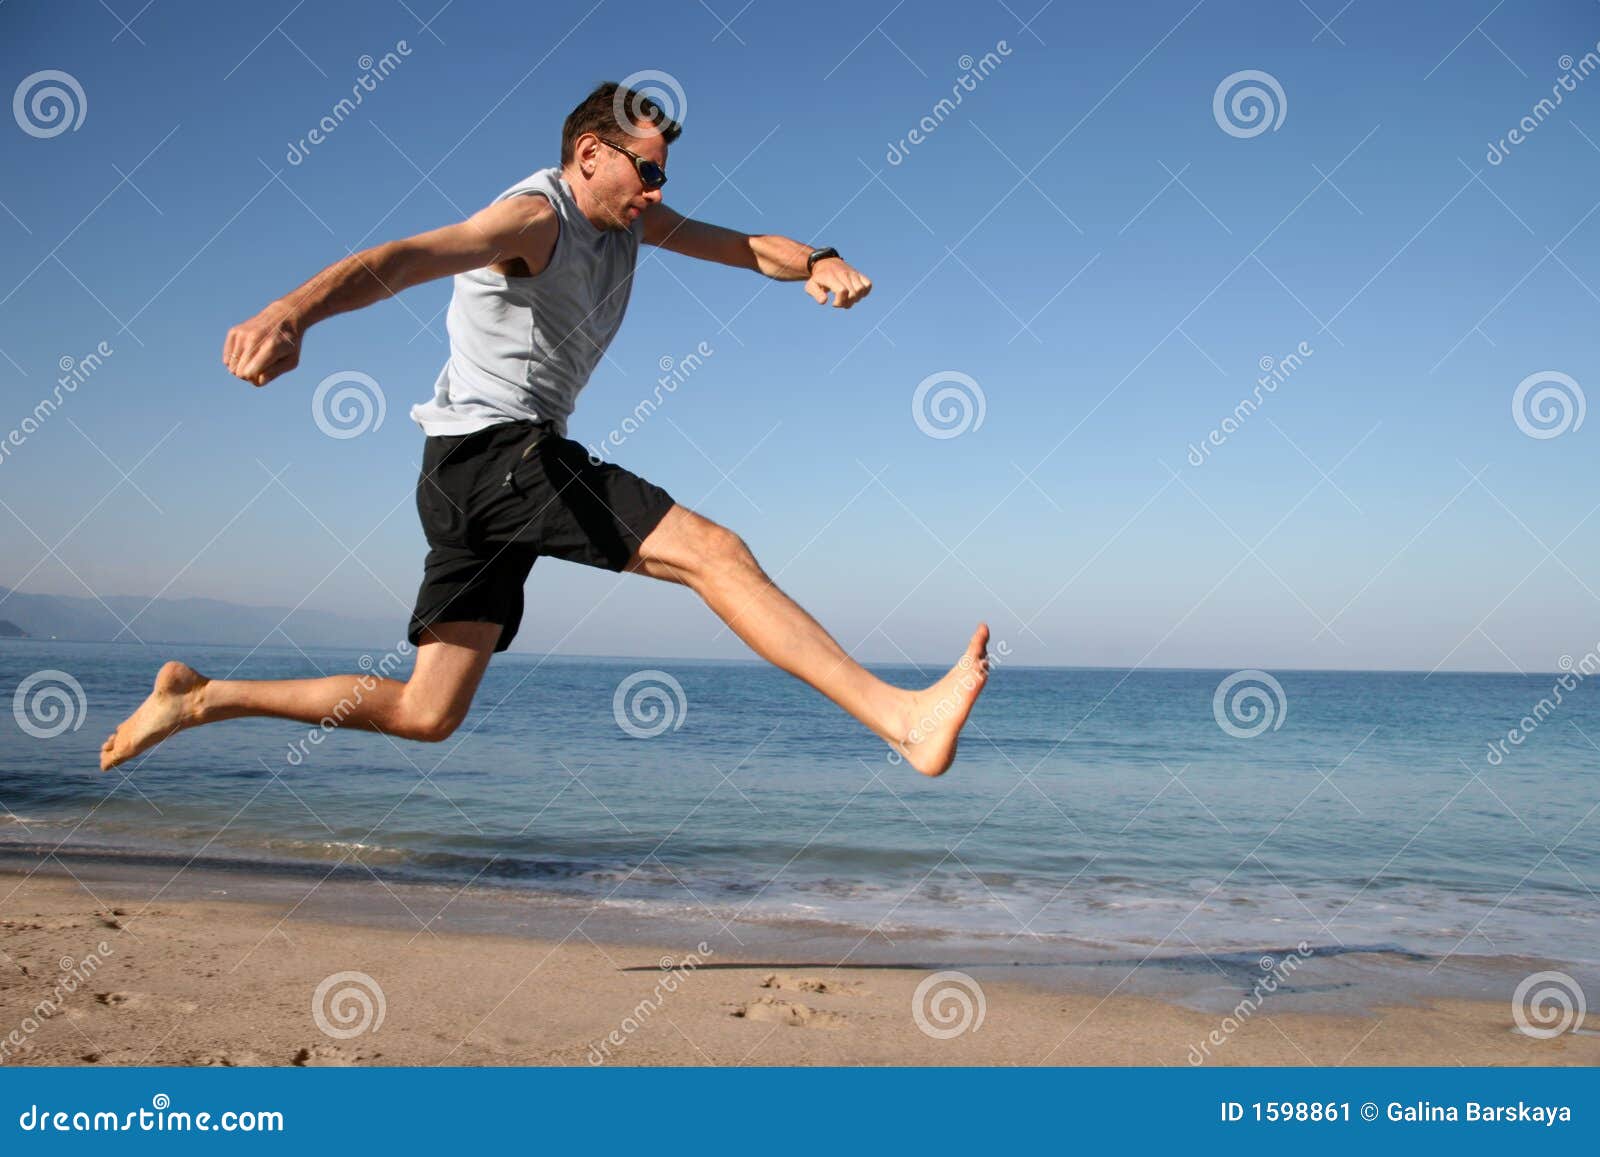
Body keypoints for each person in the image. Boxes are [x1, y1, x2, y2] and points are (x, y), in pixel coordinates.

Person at [100, 81, 989, 777]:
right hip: (498, 453)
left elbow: (744, 246)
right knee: (714, 553)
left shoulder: (634, 222)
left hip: (463, 474)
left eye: (664, 174)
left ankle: (200, 698)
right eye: (647, 170)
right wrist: (292, 310)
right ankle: (901, 719)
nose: (658, 188)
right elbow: (404, 259)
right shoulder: (534, 217)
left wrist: (819, 259)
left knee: (426, 712)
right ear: (590, 153)